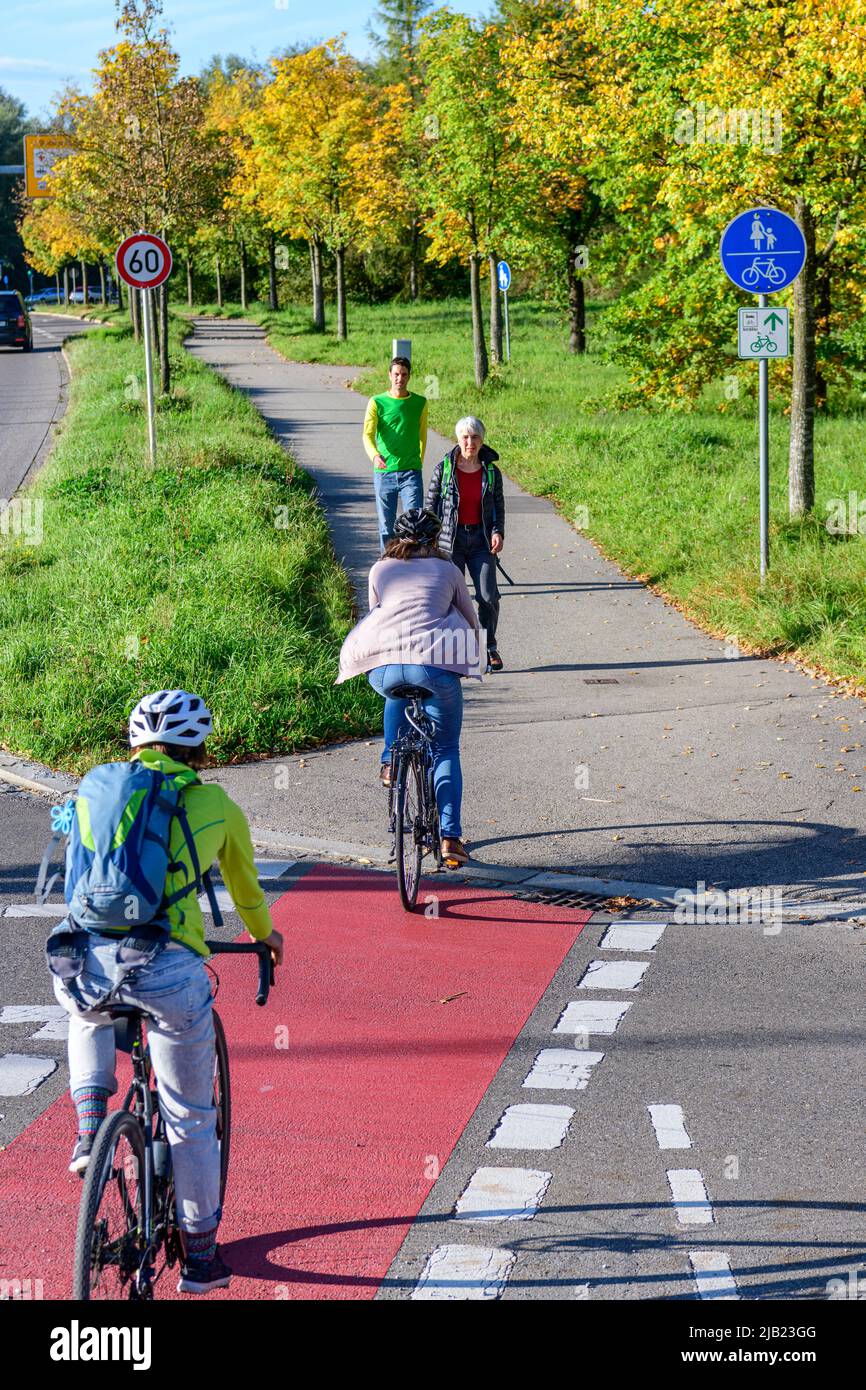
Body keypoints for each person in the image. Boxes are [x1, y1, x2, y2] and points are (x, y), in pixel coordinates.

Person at [50, 689, 283, 1295]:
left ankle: (89, 1126)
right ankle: (202, 1258)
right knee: (189, 1118)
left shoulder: (92, 794)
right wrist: (267, 937)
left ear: (135, 744)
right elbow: (247, 893)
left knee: (87, 1012)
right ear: (197, 748)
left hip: (86, 958)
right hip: (167, 969)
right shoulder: (216, 805)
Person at [336, 509, 481, 866]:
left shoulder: (380, 569)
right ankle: (449, 838)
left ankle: (390, 762)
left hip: (384, 667)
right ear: (436, 539)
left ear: (395, 538)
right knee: (445, 749)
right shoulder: (448, 570)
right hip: (432, 668)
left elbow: (377, 613)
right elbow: (469, 615)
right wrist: (476, 651)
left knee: (395, 691)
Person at [425, 415, 506, 671]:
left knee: (488, 596)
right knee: (452, 599)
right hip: (452, 541)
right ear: (458, 439)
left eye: (475, 437)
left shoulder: (491, 473)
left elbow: (498, 508)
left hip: (481, 541)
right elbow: (431, 506)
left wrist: (498, 532)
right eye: (465, 437)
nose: (470, 442)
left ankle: (490, 646)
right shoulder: (444, 469)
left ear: (482, 440)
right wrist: (430, 539)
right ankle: (457, 653)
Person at [363, 355, 429, 552]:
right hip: (384, 473)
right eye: (396, 374)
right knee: (386, 526)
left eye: (404, 374)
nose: (400, 379)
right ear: (389, 375)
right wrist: (375, 455)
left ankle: (413, 565)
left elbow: (422, 436)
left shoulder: (420, 403)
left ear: (409, 377)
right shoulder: (377, 402)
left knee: (414, 524)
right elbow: (367, 435)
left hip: (411, 472)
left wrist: (418, 462)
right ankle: (387, 567)